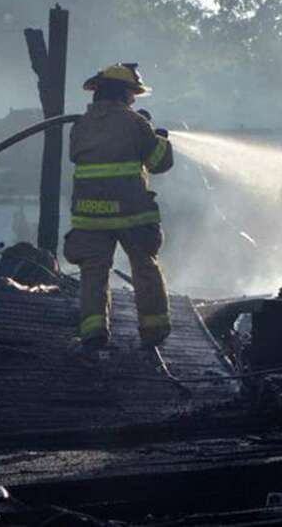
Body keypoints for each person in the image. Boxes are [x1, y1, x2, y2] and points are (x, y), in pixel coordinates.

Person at [63, 63, 175, 354]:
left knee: (93, 272)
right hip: (131, 213)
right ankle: (154, 330)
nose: (134, 100)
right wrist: (160, 136)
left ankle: (93, 332)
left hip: (90, 214)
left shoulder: (81, 125)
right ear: (123, 93)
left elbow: (77, 155)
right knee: (144, 265)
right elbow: (158, 163)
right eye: (132, 94)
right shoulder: (135, 123)